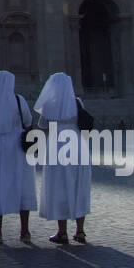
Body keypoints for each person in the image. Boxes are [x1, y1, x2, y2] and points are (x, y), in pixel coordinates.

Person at [0, 70, 37, 245]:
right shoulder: (20, 100)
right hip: (18, 148)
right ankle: (25, 231)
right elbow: (28, 122)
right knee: (22, 185)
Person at [34, 72, 91, 245]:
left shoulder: (50, 104)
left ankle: (62, 232)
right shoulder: (78, 102)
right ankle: (80, 231)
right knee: (78, 185)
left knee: (59, 185)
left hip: (58, 145)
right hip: (77, 144)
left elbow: (42, 125)